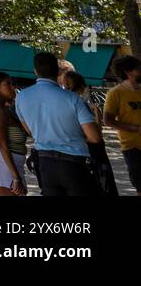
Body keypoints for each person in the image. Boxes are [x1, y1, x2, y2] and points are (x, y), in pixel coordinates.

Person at [14, 51, 103, 196]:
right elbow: (95, 137)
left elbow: (29, 131)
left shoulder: (21, 97)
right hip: (74, 162)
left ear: (35, 71)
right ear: (57, 71)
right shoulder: (73, 99)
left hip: (44, 162)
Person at [104, 54, 141, 194]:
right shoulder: (115, 93)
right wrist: (136, 128)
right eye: (138, 68)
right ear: (128, 71)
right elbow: (108, 121)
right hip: (132, 147)